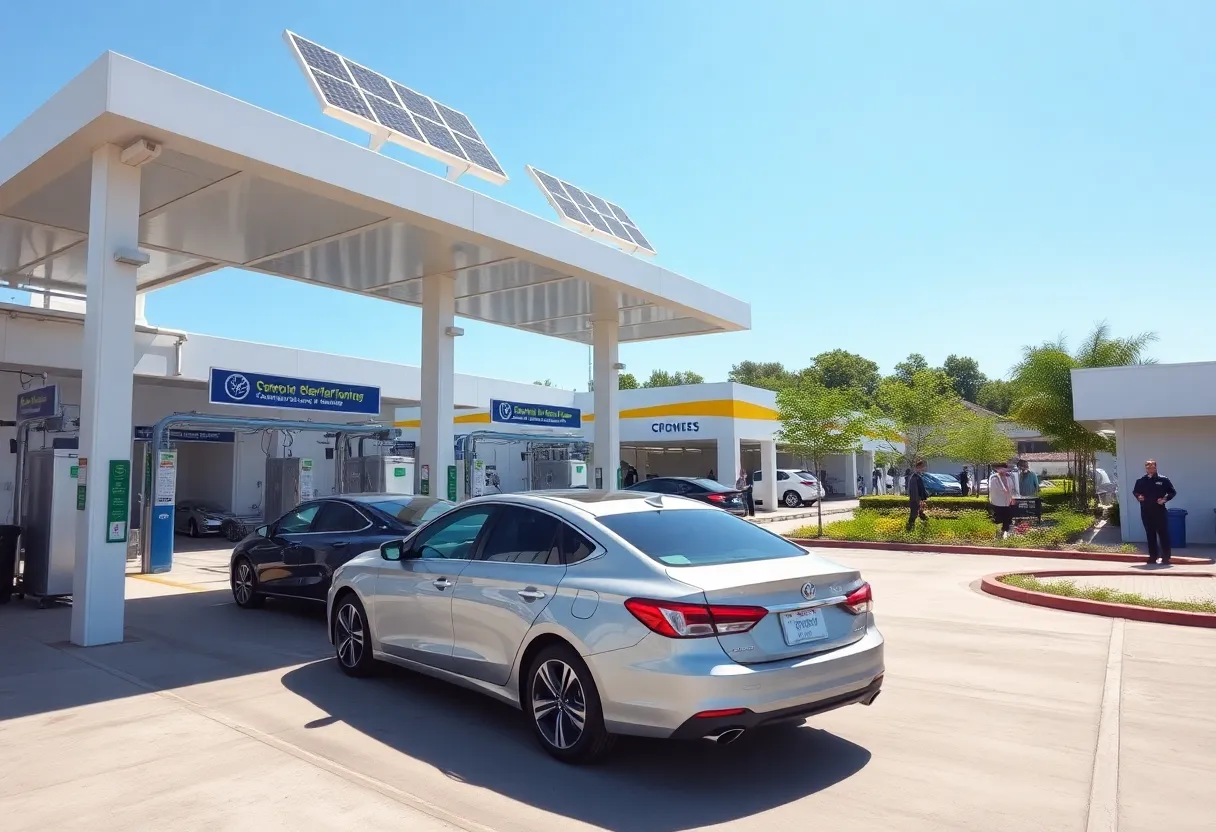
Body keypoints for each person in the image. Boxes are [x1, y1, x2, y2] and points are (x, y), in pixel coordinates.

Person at [1132, 460, 1176, 565]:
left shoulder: (1163, 480)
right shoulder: (1141, 480)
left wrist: (1165, 499)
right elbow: (1135, 491)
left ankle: (1166, 557)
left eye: (1152, 467)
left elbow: (1172, 492)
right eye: (1148, 467)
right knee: (1150, 535)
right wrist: (1138, 496)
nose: (1150, 469)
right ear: (1146, 469)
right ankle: (1153, 557)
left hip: (1159, 511)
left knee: (1163, 534)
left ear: (1156, 468)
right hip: (1146, 511)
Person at [988, 462, 1017, 538]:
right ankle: (998, 535)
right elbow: (994, 490)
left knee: (1008, 519)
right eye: (1000, 469)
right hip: (998, 503)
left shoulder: (1009, 478)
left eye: (1004, 469)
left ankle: (1006, 534)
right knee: (998, 519)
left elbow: (1012, 489)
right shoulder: (994, 478)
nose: (1003, 471)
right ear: (997, 470)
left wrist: (1012, 497)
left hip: (1008, 502)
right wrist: (1003, 490)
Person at [906, 460, 929, 531]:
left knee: (919, 513)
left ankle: (923, 528)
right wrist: (917, 501)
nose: (924, 468)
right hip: (915, 499)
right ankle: (910, 529)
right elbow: (914, 491)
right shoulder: (914, 477)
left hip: (919, 499)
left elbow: (921, 488)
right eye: (922, 467)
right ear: (918, 467)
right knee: (913, 514)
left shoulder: (918, 476)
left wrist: (923, 498)